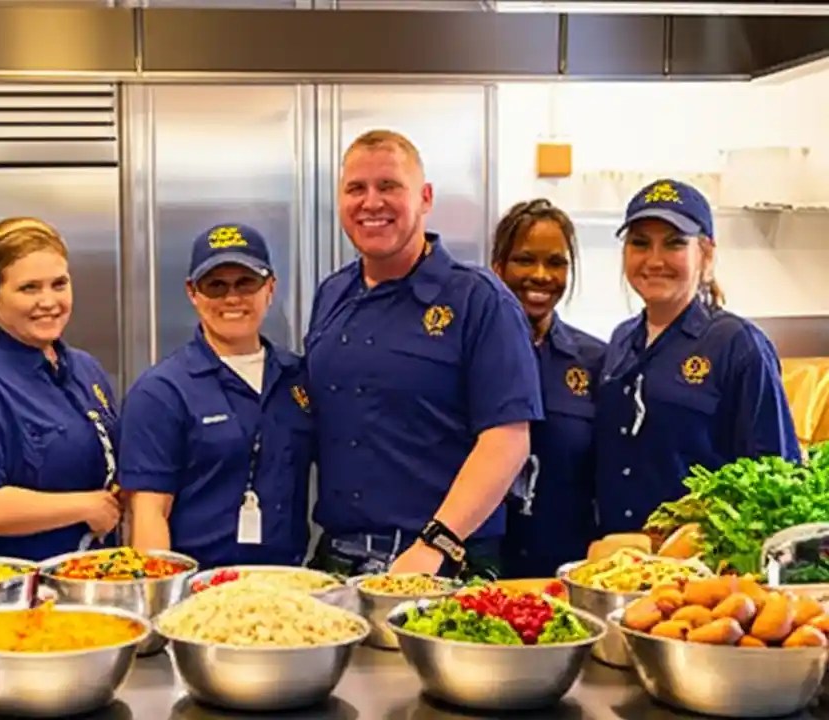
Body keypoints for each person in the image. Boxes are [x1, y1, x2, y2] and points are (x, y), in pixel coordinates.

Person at [304, 129, 542, 579]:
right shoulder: (331, 295)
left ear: (425, 197)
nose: (371, 202)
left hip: (446, 562)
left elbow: (508, 440)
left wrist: (434, 545)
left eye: (389, 186)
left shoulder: (480, 300)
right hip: (338, 557)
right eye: (356, 188)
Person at [594, 179, 801, 535]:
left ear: (705, 253)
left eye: (674, 243)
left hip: (703, 571)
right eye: (640, 243)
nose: (654, 260)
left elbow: (778, 479)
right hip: (619, 566)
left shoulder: (738, 345)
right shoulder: (620, 341)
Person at [120, 223, 314, 570]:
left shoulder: (298, 378)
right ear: (193, 293)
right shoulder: (161, 391)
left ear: (270, 287)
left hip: (289, 586)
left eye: (246, 283)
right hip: (200, 591)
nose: (232, 298)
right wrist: (162, 598)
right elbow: (150, 514)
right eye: (216, 286)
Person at [0, 217, 121, 561]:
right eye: (29, 288)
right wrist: (85, 506)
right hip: (8, 592)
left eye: (59, 284)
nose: (48, 301)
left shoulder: (86, 369)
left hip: (85, 578)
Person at [490, 199, 606, 578]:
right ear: (498, 268)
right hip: (480, 565)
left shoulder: (595, 361)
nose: (541, 275)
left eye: (556, 263)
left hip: (564, 568)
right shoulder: (467, 356)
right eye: (525, 260)